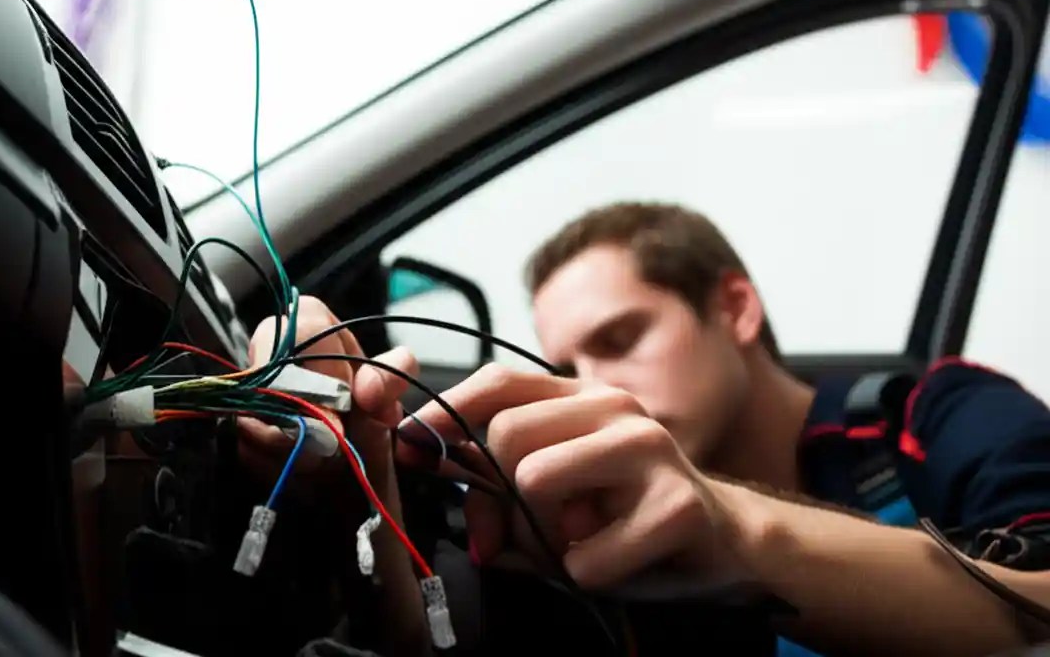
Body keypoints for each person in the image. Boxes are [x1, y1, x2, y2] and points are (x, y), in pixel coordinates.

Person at [242, 203, 1050, 657]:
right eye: (567, 364)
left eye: (622, 338)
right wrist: (363, 479)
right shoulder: (596, 526)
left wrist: (741, 531)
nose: (594, 384)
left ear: (735, 308)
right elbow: (430, 643)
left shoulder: (936, 415)